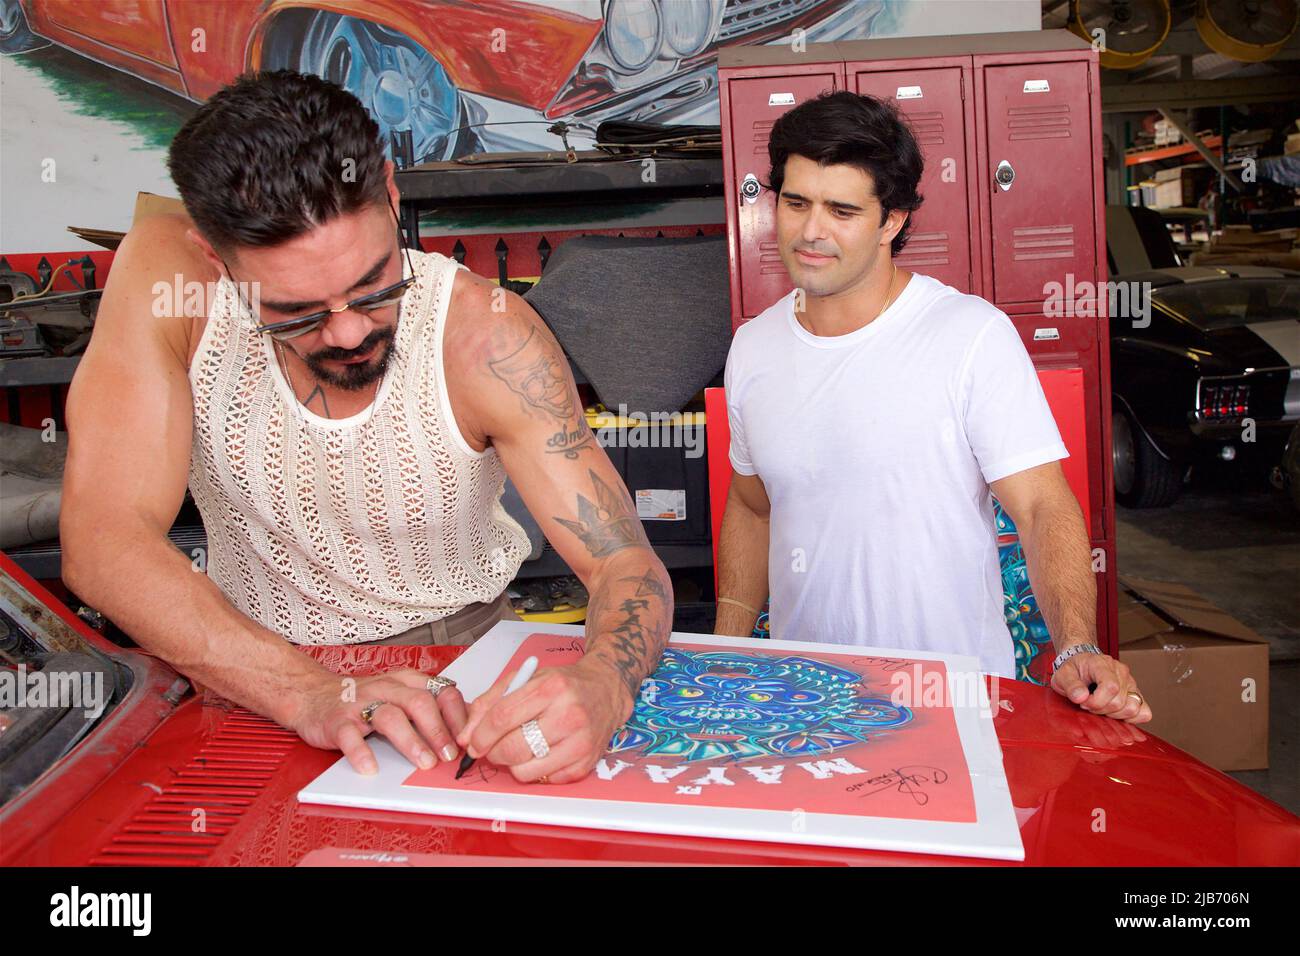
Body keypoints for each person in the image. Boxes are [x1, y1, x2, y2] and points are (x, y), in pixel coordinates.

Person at [60, 71, 673, 783]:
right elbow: (104, 541)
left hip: (458, 686)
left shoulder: (486, 340)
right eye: (297, 310)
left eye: (374, 284)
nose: (349, 331)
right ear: (211, 256)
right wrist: (306, 692)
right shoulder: (175, 282)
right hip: (248, 679)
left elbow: (625, 564)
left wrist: (605, 683)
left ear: (388, 192)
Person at [714, 91, 1149, 724]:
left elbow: (1040, 505)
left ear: (891, 221)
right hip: (807, 701)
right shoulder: (754, 347)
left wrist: (1076, 644)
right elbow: (753, 510)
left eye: (841, 210)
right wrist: (729, 649)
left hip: (955, 699)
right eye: (796, 202)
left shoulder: (970, 335)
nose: (811, 231)